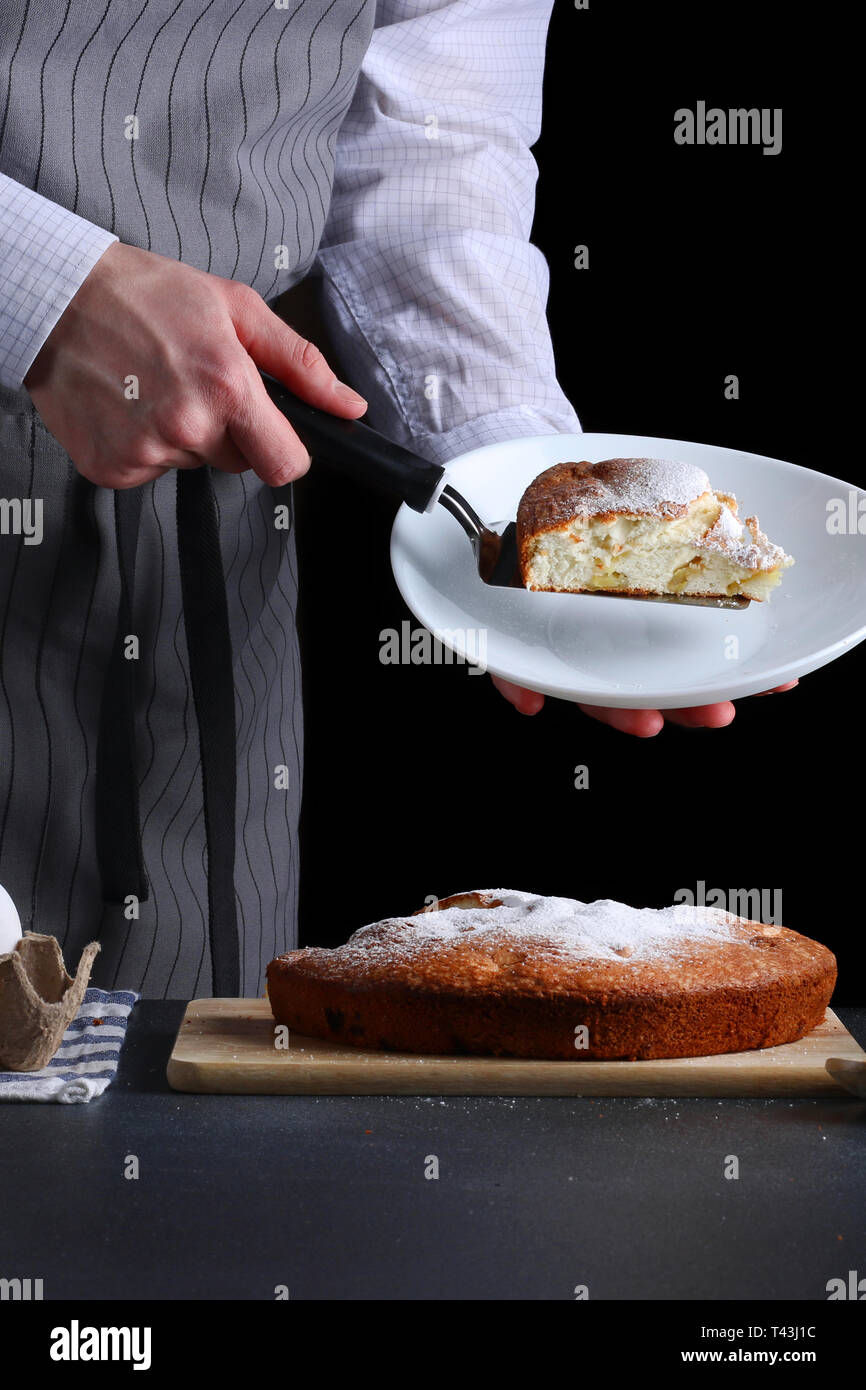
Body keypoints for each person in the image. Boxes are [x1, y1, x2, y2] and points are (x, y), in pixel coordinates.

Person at [0, 0, 794, 998]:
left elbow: (433, 138)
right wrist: (39, 292)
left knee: (179, 1095)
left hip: (199, 540)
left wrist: (525, 501)